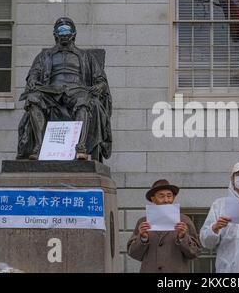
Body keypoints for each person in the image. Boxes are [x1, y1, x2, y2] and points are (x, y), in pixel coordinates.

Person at [17, 17, 112, 161]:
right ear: (55, 34)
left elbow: (101, 80)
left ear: (74, 34)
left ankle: (81, 148)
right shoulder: (44, 56)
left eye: (67, 30)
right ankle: (39, 147)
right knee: (33, 98)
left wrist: (100, 86)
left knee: (84, 101)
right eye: (61, 30)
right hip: (51, 91)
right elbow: (34, 74)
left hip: (77, 90)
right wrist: (32, 80)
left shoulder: (87, 56)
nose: (64, 34)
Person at [127, 179, 200, 272]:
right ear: (153, 199)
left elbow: (195, 253)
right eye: (161, 196)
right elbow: (133, 253)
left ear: (173, 198)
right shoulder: (143, 222)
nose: (166, 200)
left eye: (169, 196)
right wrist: (142, 238)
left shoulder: (184, 221)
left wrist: (183, 238)